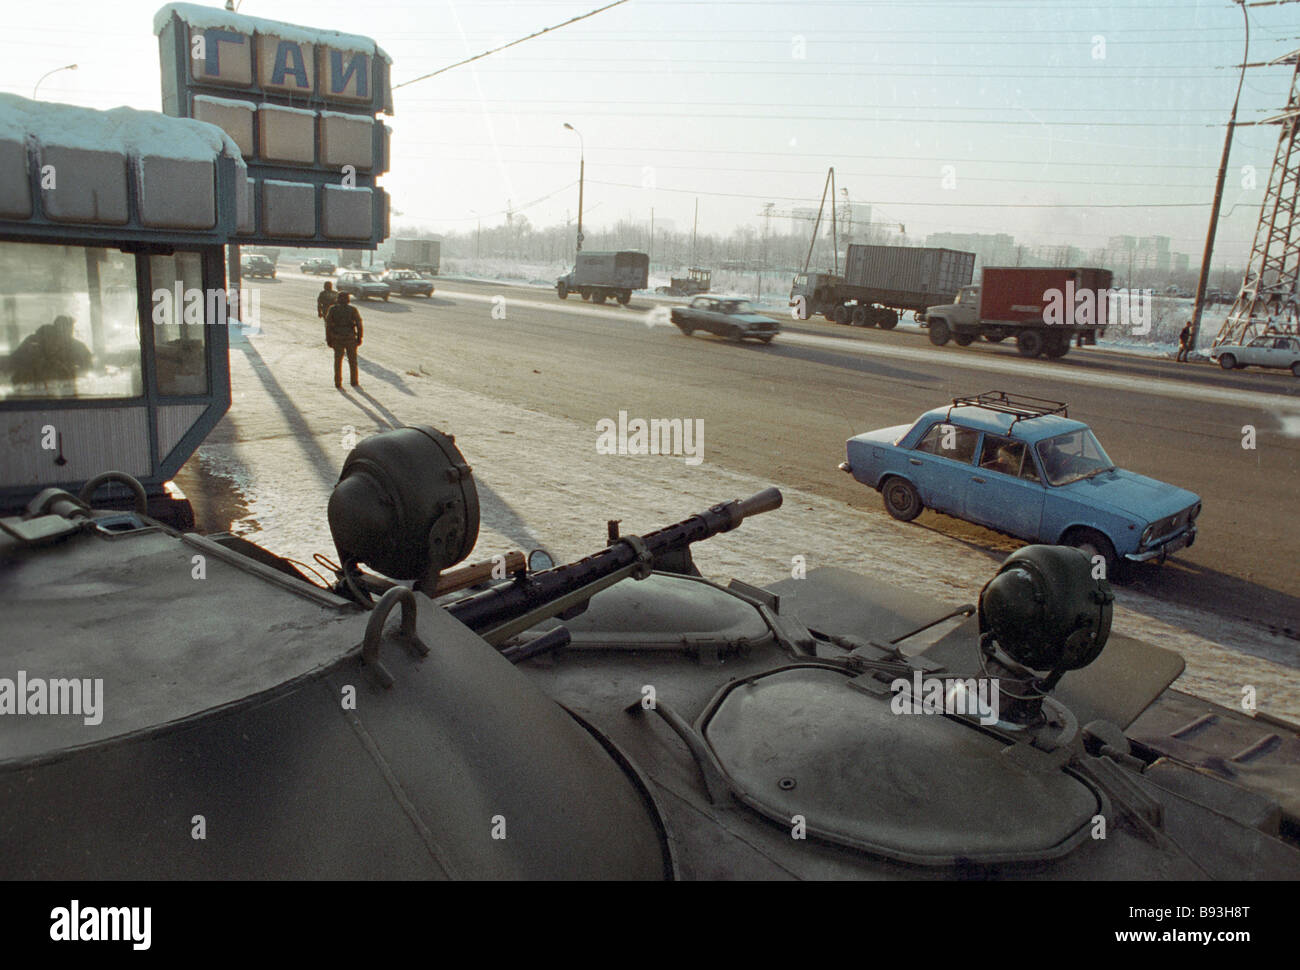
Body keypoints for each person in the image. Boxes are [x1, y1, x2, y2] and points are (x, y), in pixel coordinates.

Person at [10, 315, 93, 389]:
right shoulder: (34, 341)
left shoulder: (76, 346)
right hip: (31, 386)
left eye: (68, 330)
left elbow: (88, 365)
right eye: (62, 329)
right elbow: (14, 361)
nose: (66, 333)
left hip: (61, 386)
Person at [325, 292, 363, 389]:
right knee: (353, 361)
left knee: (338, 361)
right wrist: (359, 337)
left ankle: (338, 382)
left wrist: (329, 339)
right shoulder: (353, 310)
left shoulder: (333, 309)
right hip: (350, 338)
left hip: (337, 338)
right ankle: (354, 381)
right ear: (348, 300)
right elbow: (359, 324)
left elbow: (328, 325)